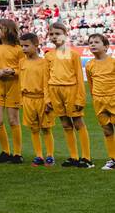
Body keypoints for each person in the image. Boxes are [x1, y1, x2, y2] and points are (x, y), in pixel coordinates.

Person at [46, 21, 93, 168]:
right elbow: (46, 78)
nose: (54, 37)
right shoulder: (48, 56)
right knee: (65, 124)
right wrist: (47, 97)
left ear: (66, 35)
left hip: (71, 91)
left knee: (78, 123)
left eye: (58, 34)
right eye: (52, 34)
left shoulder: (73, 55)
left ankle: (86, 158)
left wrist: (80, 97)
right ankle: (73, 156)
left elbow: (80, 77)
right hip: (55, 91)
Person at [0, 18, 24, 163]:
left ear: (8, 29)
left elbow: (23, 68)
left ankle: (17, 154)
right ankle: (5, 151)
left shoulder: (19, 49)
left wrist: (13, 72)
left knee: (14, 121)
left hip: (13, 87)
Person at [18, 32, 55, 166]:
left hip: (42, 99)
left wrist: (48, 100)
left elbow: (47, 83)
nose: (23, 49)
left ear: (36, 45)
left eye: (26, 46)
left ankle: (50, 155)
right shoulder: (22, 62)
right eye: (22, 46)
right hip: (28, 99)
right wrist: (21, 100)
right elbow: (20, 82)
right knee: (33, 128)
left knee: (46, 128)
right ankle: (38, 155)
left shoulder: (44, 62)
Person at [84, 33, 115, 170]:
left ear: (106, 46)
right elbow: (91, 84)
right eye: (90, 42)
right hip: (99, 101)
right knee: (107, 130)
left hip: (113, 99)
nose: (92, 44)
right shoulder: (89, 65)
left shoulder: (113, 62)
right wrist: (95, 97)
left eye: (96, 42)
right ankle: (113, 159)